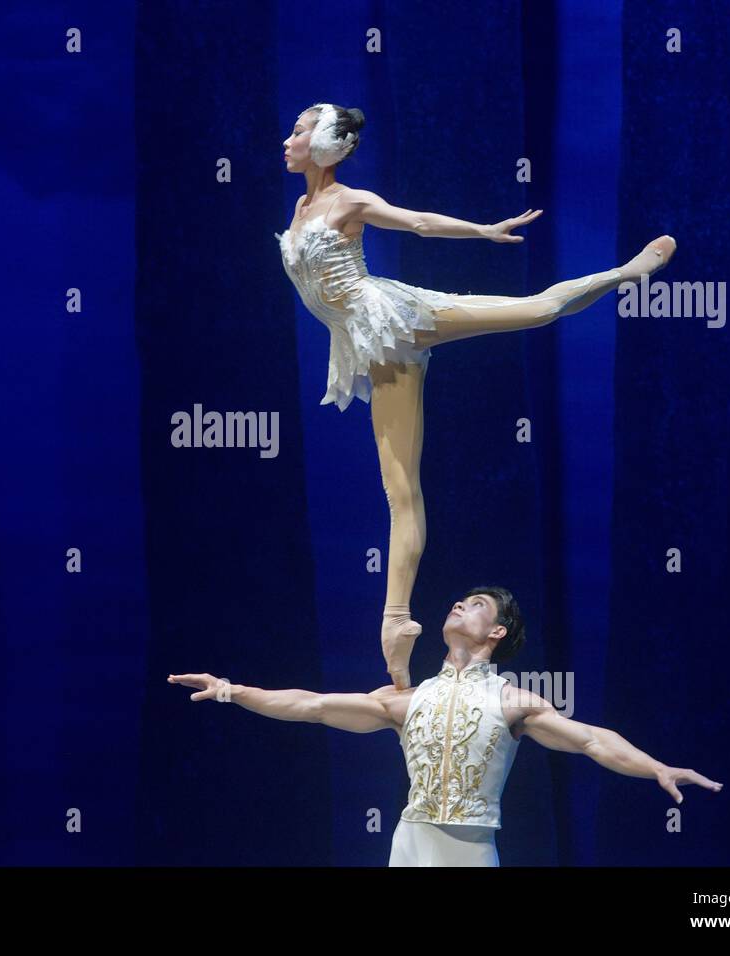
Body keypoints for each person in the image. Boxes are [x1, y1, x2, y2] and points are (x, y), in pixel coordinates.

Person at [276, 103, 677, 688]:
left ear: (327, 143)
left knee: (537, 310)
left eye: (299, 130)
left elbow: (415, 221)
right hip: (367, 344)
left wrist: (481, 231)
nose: (288, 140)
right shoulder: (301, 206)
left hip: (393, 315)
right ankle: (395, 626)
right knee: (400, 491)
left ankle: (626, 273)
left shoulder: (349, 202)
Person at [169, 585, 720, 866]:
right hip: (410, 845)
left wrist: (656, 767)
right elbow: (311, 705)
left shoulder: (515, 702)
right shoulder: (404, 701)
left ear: (497, 632)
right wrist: (233, 691)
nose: (459, 603)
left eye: (475, 604)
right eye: (460, 600)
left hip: (469, 851)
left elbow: (595, 740)